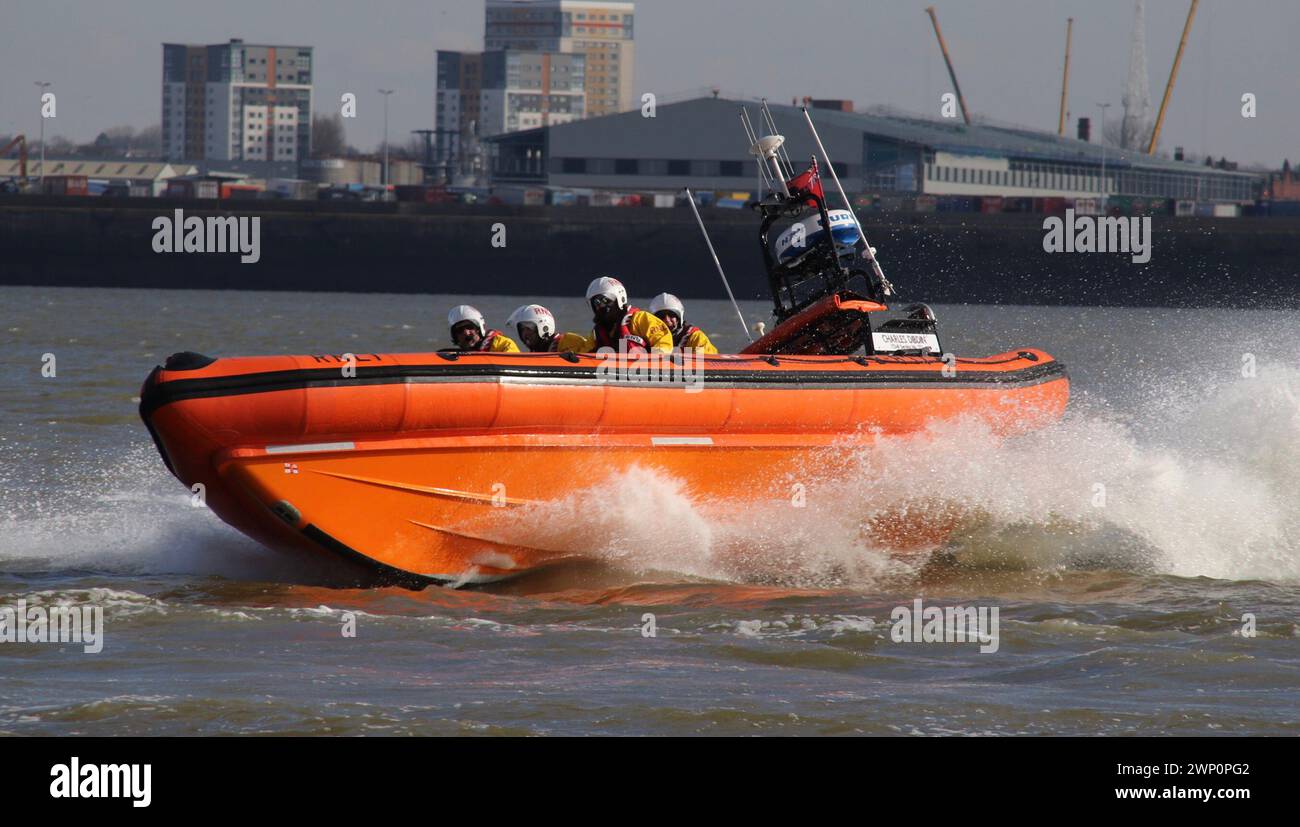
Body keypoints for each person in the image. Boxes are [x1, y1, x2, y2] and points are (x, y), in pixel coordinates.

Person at [585, 276, 673, 354]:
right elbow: (584, 351)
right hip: (612, 365)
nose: (601, 306)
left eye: (605, 301)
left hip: (643, 365)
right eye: (596, 303)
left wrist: (658, 356)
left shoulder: (640, 319)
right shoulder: (597, 333)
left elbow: (663, 339)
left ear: (620, 299)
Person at [648, 292, 718, 354]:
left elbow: (708, 360)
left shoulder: (695, 338)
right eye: (661, 316)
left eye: (671, 315)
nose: (667, 320)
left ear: (679, 317)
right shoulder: (647, 338)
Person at [505, 304, 589, 353]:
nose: (525, 334)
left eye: (528, 328)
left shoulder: (569, 342)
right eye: (522, 330)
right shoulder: (536, 354)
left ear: (544, 327)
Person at [446, 304, 519, 353]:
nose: (466, 333)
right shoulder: (454, 357)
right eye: (459, 330)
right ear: (455, 336)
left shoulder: (503, 345)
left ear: (479, 329)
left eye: (469, 327)